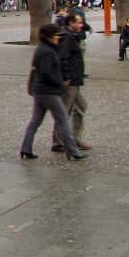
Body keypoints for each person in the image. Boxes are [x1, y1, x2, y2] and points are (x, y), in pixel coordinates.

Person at [20, 24, 85, 161]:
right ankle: (72, 150)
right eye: (56, 35)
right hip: (47, 92)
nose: (58, 37)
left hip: (40, 90)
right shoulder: (46, 51)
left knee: (36, 120)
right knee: (62, 119)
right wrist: (60, 82)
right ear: (49, 36)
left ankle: (26, 148)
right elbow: (46, 73)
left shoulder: (44, 48)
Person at [52, 12, 91, 152]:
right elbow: (63, 58)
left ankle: (76, 138)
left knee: (81, 106)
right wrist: (66, 77)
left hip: (76, 79)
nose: (81, 25)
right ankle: (58, 141)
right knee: (64, 111)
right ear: (70, 23)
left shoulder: (72, 35)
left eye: (81, 22)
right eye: (79, 22)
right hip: (69, 81)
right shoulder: (66, 36)